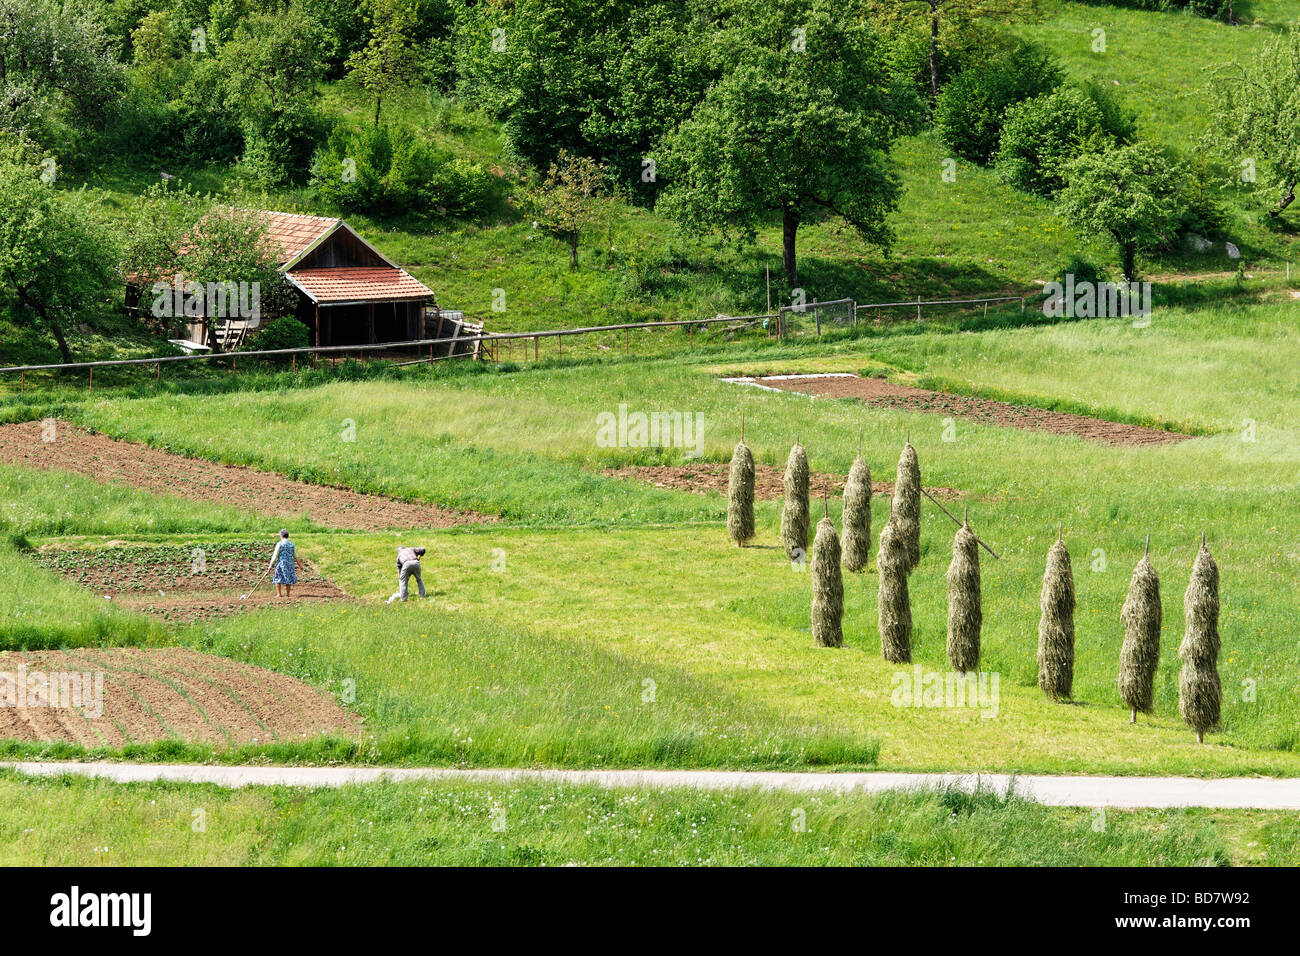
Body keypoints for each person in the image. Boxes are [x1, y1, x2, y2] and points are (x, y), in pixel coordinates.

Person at [269, 529, 297, 598]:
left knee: (278, 577)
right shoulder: (291, 544)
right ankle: (288, 594)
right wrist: (300, 565)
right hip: (290, 564)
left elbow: (275, 555)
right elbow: (295, 555)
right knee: (288, 578)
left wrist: (270, 565)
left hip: (281, 564)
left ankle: (279, 594)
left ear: (281, 536)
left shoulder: (280, 544)